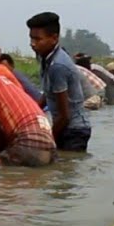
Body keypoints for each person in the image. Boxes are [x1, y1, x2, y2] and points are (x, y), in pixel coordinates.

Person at [27, 12, 93, 152]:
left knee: (66, 168)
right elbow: (48, 92)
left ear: (54, 38)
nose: (33, 44)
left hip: (74, 131)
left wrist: (47, 140)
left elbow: (65, 116)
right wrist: (32, 113)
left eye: (38, 39)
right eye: (31, 38)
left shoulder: (58, 66)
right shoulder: (46, 57)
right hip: (65, 126)